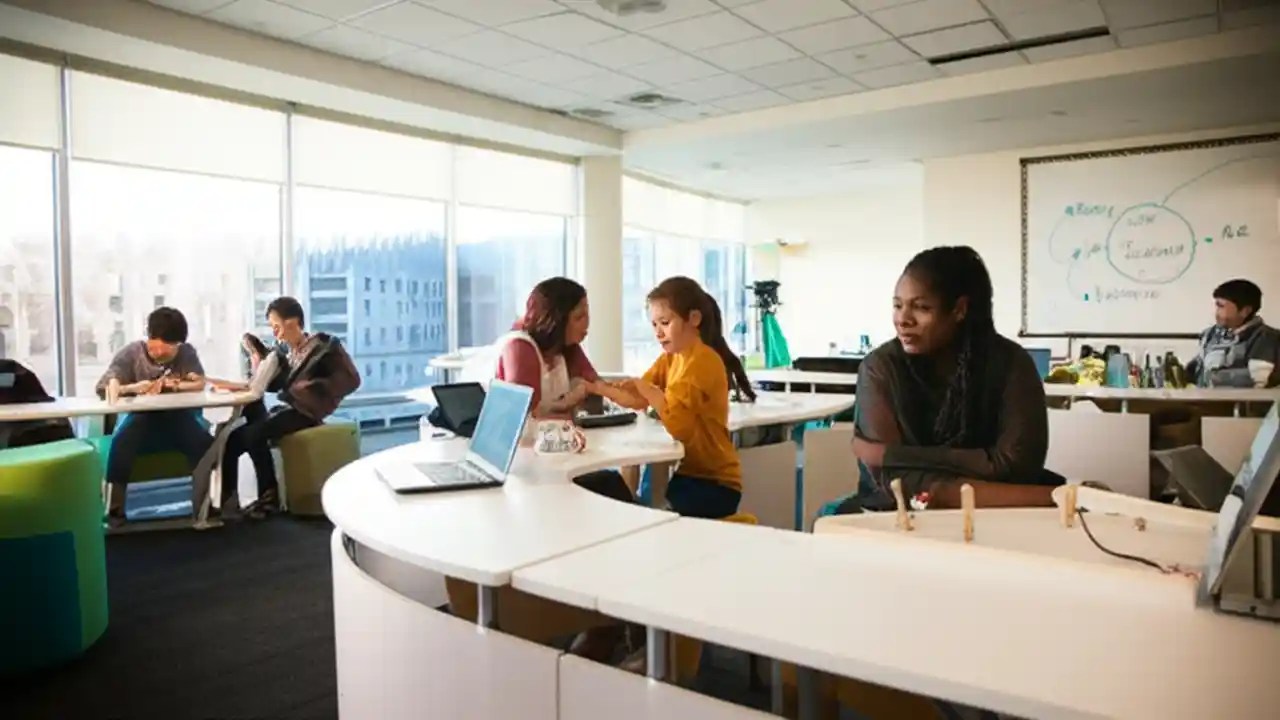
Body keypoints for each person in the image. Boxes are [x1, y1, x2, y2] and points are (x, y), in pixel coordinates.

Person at [848, 246, 1057, 511]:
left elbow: (1019, 468)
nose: (903, 320)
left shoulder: (1011, 363)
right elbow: (897, 486)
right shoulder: (880, 367)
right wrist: (1046, 496)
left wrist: (892, 455)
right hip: (894, 519)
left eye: (921, 307)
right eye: (897, 305)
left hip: (1000, 518)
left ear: (959, 309)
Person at [601, 276, 755, 519]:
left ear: (693, 319)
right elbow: (639, 398)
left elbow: (678, 426)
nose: (659, 333)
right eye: (654, 325)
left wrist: (649, 391)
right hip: (690, 473)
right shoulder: (672, 358)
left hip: (716, 482)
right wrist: (596, 388)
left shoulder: (703, 361)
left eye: (665, 322)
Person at [494, 277, 633, 505]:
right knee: (609, 486)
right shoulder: (520, 348)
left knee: (610, 483)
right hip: (522, 468)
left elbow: (598, 389)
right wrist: (571, 405)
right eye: (579, 317)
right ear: (556, 320)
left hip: (552, 458)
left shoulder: (565, 347)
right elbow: (526, 421)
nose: (586, 324)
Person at [217, 297, 360, 518]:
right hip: (292, 409)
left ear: (292, 323)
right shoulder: (289, 353)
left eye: (277, 327)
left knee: (253, 434)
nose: (276, 334)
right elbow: (276, 383)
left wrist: (312, 390)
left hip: (307, 412)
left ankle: (267, 498)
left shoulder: (324, 347)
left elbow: (352, 379)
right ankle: (230, 499)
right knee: (236, 436)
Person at [96, 307, 211, 527]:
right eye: (155, 347)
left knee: (203, 441)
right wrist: (132, 388)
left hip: (176, 419)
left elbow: (200, 382)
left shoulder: (186, 353)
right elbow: (105, 386)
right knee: (125, 438)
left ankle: (207, 504)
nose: (160, 354)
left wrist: (173, 385)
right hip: (141, 421)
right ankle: (115, 509)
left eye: (168, 349)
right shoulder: (132, 354)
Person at [1186, 279, 1279, 388]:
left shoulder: (1265, 337)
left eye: (1221, 306)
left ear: (1245, 311)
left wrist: (1213, 378)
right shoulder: (1211, 334)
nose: (1216, 313)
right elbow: (1197, 368)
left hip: (1237, 403)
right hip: (1202, 401)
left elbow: (1256, 379)